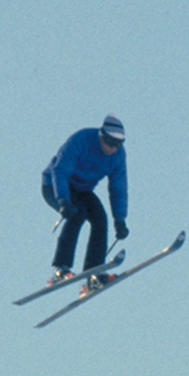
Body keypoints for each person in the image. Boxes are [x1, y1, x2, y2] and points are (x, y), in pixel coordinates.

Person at [42, 114, 129, 289]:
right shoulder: (81, 140)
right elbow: (60, 171)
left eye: (118, 144)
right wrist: (63, 201)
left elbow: (118, 187)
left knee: (99, 217)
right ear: (101, 136)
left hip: (82, 190)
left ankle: (94, 272)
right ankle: (60, 267)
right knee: (77, 213)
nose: (113, 148)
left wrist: (120, 219)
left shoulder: (118, 155)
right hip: (55, 185)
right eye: (110, 143)